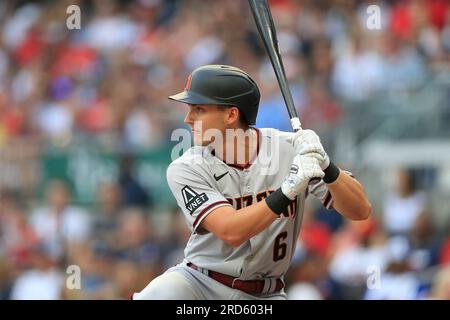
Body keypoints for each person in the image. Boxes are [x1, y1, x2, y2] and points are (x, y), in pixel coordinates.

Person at [132, 65, 372, 300]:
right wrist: (288, 190)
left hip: (266, 294)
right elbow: (231, 231)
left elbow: (360, 210)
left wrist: (327, 166)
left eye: (198, 109)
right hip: (199, 285)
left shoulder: (290, 149)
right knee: (159, 294)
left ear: (231, 114)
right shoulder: (186, 167)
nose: (187, 118)